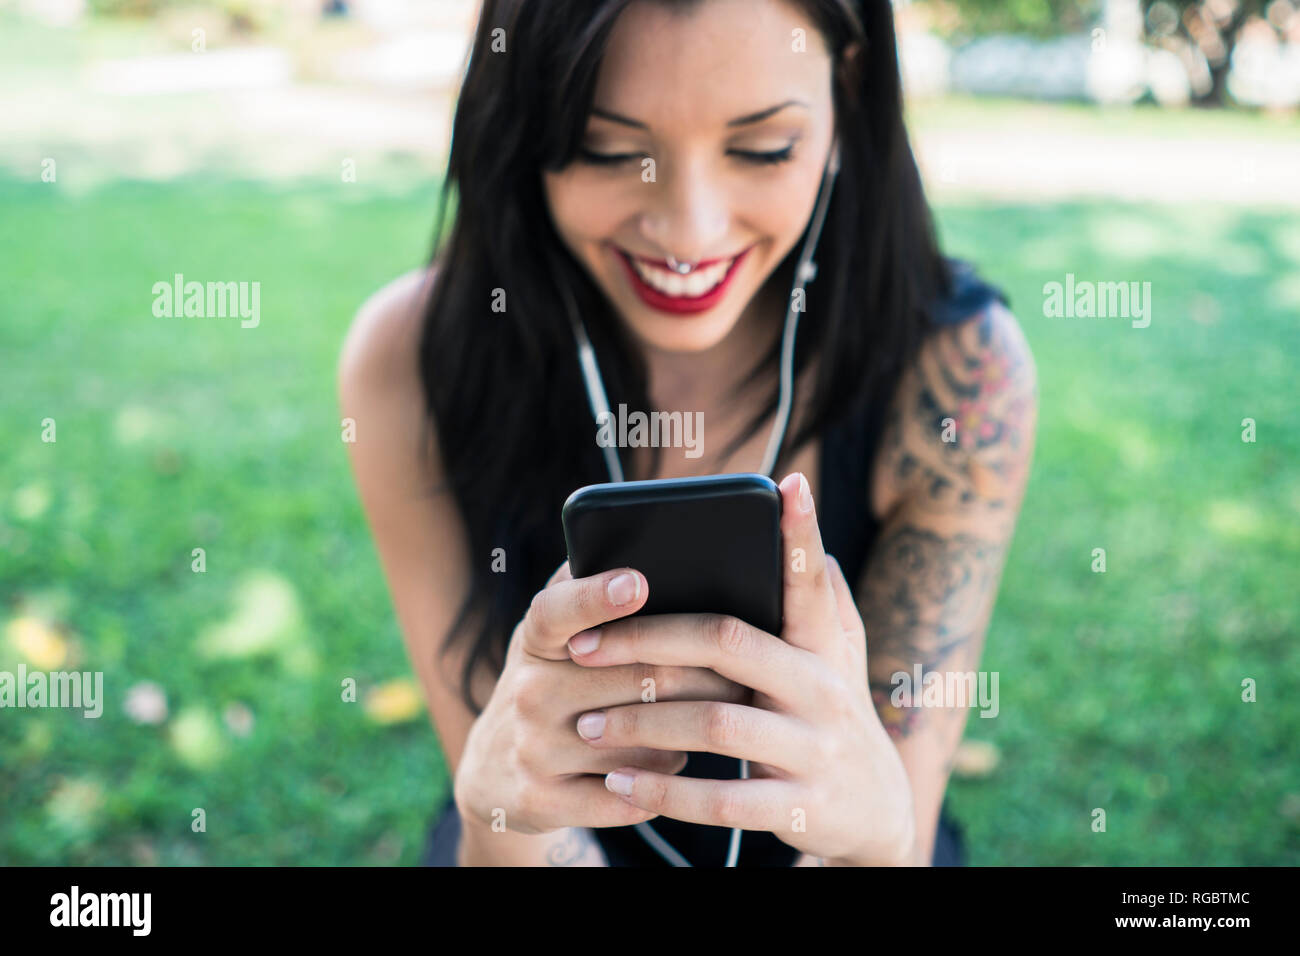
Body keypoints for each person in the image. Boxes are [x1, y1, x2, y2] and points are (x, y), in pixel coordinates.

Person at [338, 0, 1037, 867]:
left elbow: (896, 821)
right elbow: (509, 807)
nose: (689, 231)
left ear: (846, 90)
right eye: (608, 149)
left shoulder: (963, 376)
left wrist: (880, 830)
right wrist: (501, 816)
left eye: (762, 148)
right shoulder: (407, 362)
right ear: (523, 120)